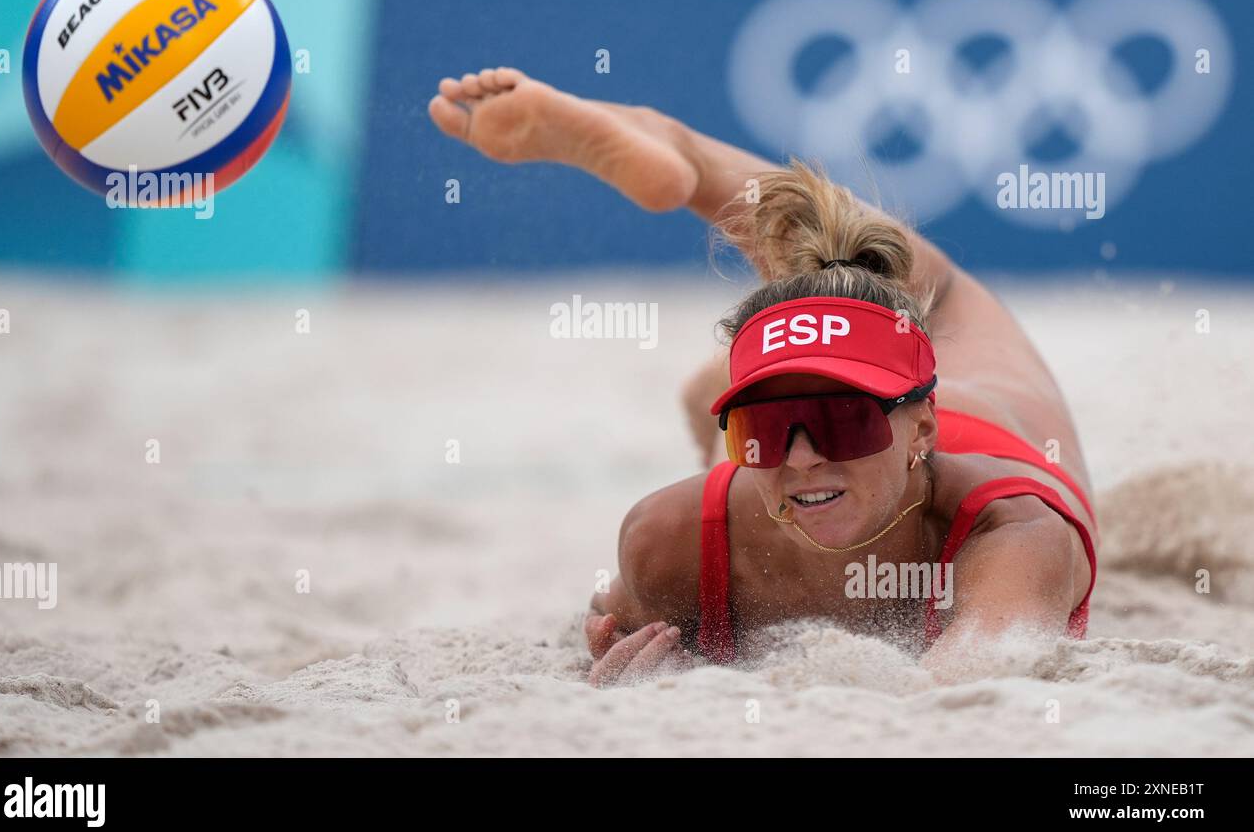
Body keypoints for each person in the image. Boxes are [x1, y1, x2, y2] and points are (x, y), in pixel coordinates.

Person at [428, 67, 1098, 687]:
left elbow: (969, 688)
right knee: (759, 359)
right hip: (887, 407)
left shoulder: (1014, 530)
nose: (802, 456)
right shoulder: (667, 538)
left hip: (996, 423)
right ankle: (682, 171)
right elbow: (612, 638)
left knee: (934, 291)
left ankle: (679, 151)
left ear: (925, 426)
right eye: (762, 429)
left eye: (842, 423)